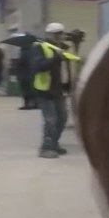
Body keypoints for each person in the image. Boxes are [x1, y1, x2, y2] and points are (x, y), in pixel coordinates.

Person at [27, 22, 80, 159]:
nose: (58, 36)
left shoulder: (63, 48)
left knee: (62, 118)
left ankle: (54, 143)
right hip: (45, 89)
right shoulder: (39, 47)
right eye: (55, 34)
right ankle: (46, 147)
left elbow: (72, 64)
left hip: (59, 89)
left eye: (60, 33)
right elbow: (38, 66)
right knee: (51, 119)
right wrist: (56, 57)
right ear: (49, 34)